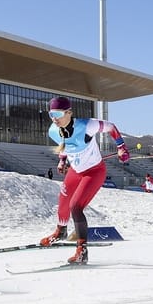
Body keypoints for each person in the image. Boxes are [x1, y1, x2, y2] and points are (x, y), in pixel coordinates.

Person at [42, 95, 122, 264]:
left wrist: (121, 147)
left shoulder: (87, 125)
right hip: (75, 171)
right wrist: (62, 160)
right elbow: (65, 144)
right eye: (51, 115)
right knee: (63, 201)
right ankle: (60, 232)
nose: (54, 119)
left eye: (57, 115)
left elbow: (111, 127)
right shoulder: (53, 130)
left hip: (94, 172)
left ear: (69, 112)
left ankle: (82, 251)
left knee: (75, 207)